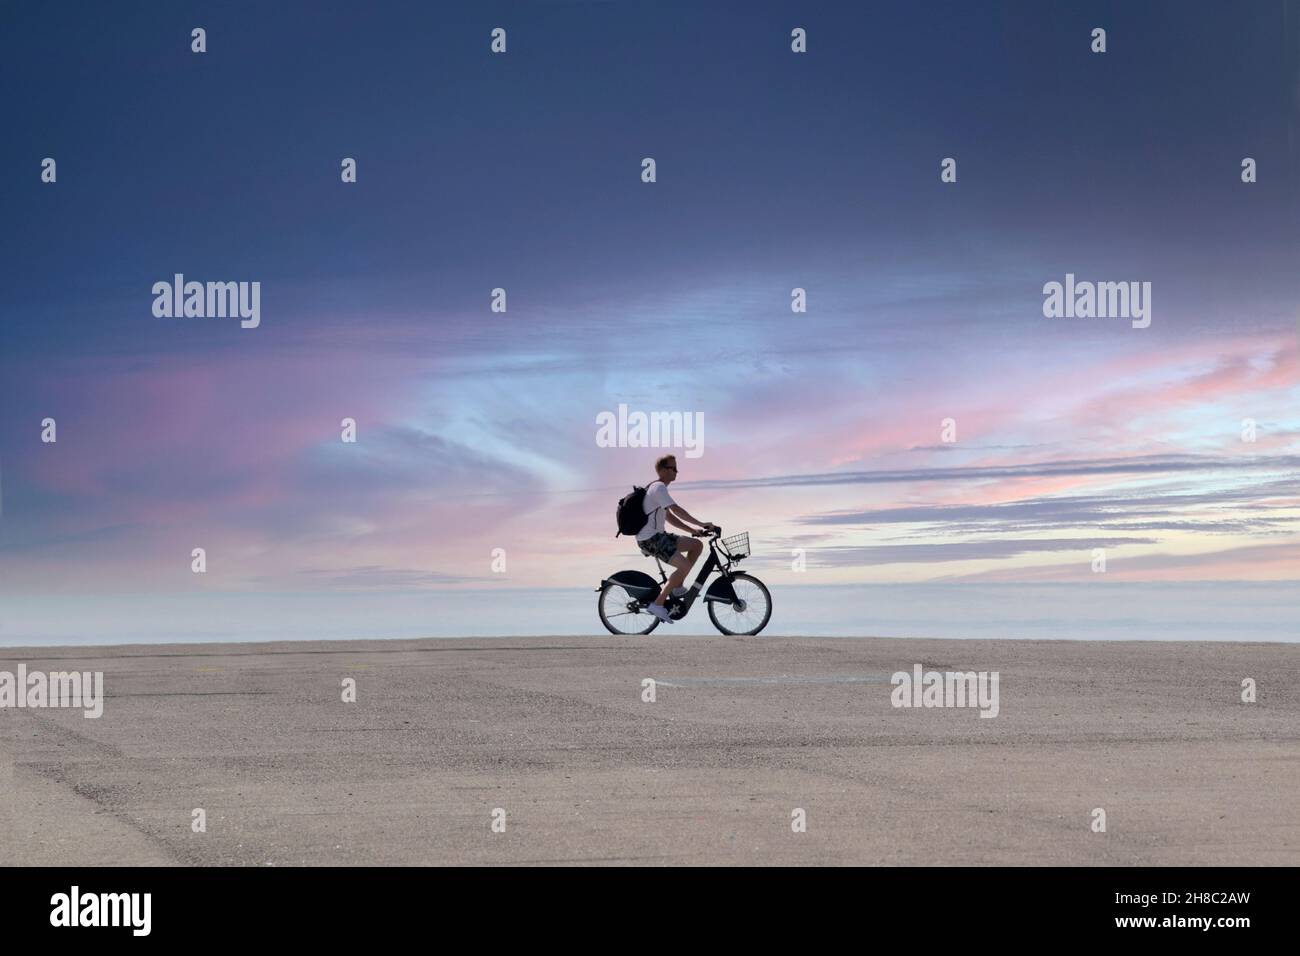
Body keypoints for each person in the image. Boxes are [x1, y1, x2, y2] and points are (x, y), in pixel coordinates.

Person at [635, 454, 715, 624]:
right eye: (673, 468)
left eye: (676, 468)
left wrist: (693, 530)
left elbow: (670, 517)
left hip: (659, 536)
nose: (676, 472)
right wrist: (701, 523)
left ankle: (677, 587)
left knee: (696, 545)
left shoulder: (659, 489)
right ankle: (658, 604)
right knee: (684, 565)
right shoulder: (658, 488)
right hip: (650, 539)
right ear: (663, 470)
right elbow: (676, 510)